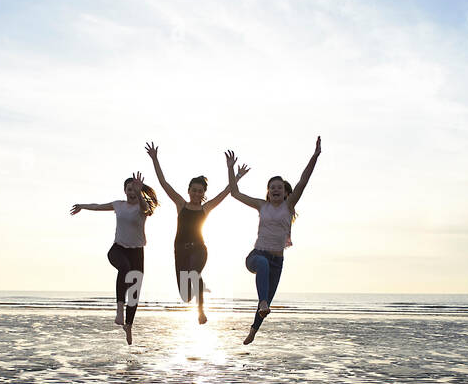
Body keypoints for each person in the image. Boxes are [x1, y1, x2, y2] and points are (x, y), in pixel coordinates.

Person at [227, 136, 322, 345]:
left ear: (286, 193)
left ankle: (253, 330)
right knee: (261, 268)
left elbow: (303, 181)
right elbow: (234, 193)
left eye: (280, 187)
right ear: (268, 193)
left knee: (266, 305)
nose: (276, 190)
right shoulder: (262, 206)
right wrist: (230, 169)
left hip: (277, 262)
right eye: (272, 187)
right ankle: (261, 302)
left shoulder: (289, 207)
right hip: (256, 256)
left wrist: (314, 156)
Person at [144, 141, 240, 324]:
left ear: (204, 193)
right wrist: (155, 159)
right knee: (185, 296)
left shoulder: (206, 208)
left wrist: (233, 172)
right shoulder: (181, 205)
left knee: (195, 273)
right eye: (194, 190)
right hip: (180, 251)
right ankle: (199, 293)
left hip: (199, 250)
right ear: (188, 191)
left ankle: (201, 311)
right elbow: (164, 183)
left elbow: (227, 191)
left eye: (200, 191)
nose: (197, 194)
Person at [70, 172, 159, 344]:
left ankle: (129, 326)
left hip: (137, 252)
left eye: (135, 189)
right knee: (124, 269)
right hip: (117, 250)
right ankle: (119, 310)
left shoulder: (142, 206)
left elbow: (145, 209)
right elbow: (97, 206)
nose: (132, 192)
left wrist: (141, 193)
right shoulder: (118, 205)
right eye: (129, 189)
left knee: (134, 293)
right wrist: (82, 205)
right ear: (125, 190)